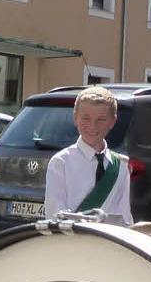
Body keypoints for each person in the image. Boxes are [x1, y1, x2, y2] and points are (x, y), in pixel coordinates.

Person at [43, 85, 133, 223]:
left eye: (101, 119)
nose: (92, 126)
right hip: (72, 236)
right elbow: (55, 215)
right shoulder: (61, 162)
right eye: (86, 118)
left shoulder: (121, 165)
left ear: (112, 122)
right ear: (75, 118)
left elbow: (124, 216)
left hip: (107, 236)